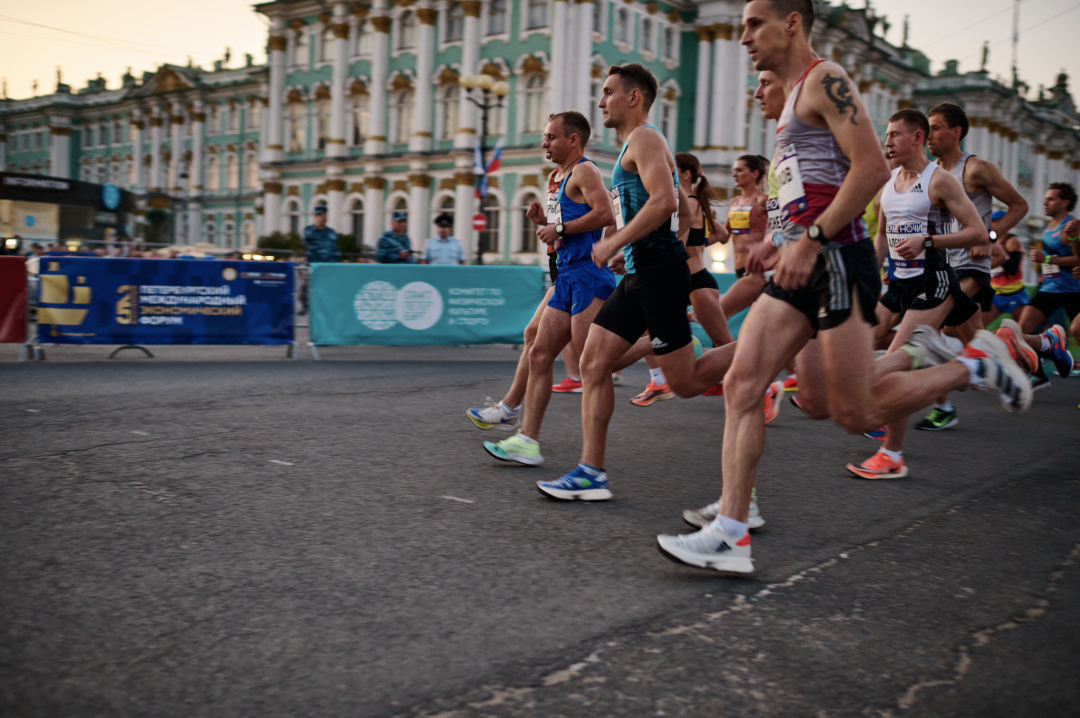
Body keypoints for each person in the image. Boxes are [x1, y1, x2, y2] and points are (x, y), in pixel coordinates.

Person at [657, 0, 1031, 576]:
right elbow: (818, 192)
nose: (743, 38)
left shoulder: (824, 79)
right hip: (802, 265)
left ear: (792, 22)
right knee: (743, 383)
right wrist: (781, 246)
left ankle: (976, 364)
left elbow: (870, 170)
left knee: (853, 413)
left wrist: (806, 240)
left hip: (837, 262)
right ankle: (732, 528)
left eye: (754, 24)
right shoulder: (787, 115)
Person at [536, 63, 740, 501]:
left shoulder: (645, 137)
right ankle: (591, 472)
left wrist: (617, 245)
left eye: (608, 92)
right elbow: (682, 212)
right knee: (593, 364)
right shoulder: (640, 143)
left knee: (684, 383)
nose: (600, 101)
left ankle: (765, 346)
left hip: (658, 275)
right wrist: (638, 249)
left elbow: (667, 200)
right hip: (642, 273)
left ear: (633, 97)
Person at [845, 109, 990, 480]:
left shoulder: (939, 181)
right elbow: (882, 237)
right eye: (887, 135)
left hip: (934, 282)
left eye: (895, 135)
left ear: (917, 138)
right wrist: (869, 282)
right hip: (898, 285)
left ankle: (892, 454)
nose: (887, 141)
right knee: (860, 345)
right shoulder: (889, 181)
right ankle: (1039, 345)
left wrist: (927, 240)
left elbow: (977, 232)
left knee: (894, 363)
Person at [481, 111, 618, 466]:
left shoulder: (585, 170)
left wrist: (559, 230)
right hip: (566, 276)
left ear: (573, 140)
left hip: (588, 276)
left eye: (551, 137)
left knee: (594, 365)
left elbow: (605, 215)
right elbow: (568, 223)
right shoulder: (555, 177)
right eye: (544, 137)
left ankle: (669, 340)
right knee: (540, 353)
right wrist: (546, 223)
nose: (544, 143)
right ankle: (527, 441)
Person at [915, 101, 1031, 430]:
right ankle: (1033, 347)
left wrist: (990, 236)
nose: (929, 135)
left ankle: (944, 407)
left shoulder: (976, 169)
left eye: (935, 128)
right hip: (940, 266)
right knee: (974, 339)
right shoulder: (929, 172)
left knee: (926, 329)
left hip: (971, 265)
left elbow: (1019, 206)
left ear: (956, 132)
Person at [1018, 183, 1079, 381]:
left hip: (1073, 290)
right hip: (1050, 288)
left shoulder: (1071, 226)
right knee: (1022, 329)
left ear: (1065, 202)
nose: (1045, 202)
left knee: (1077, 331)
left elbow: (1078, 260)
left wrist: (1046, 259)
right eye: (1046, 198)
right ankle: (1037, 373)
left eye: (1051, 199)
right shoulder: (1049, 226)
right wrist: (1045, 270)